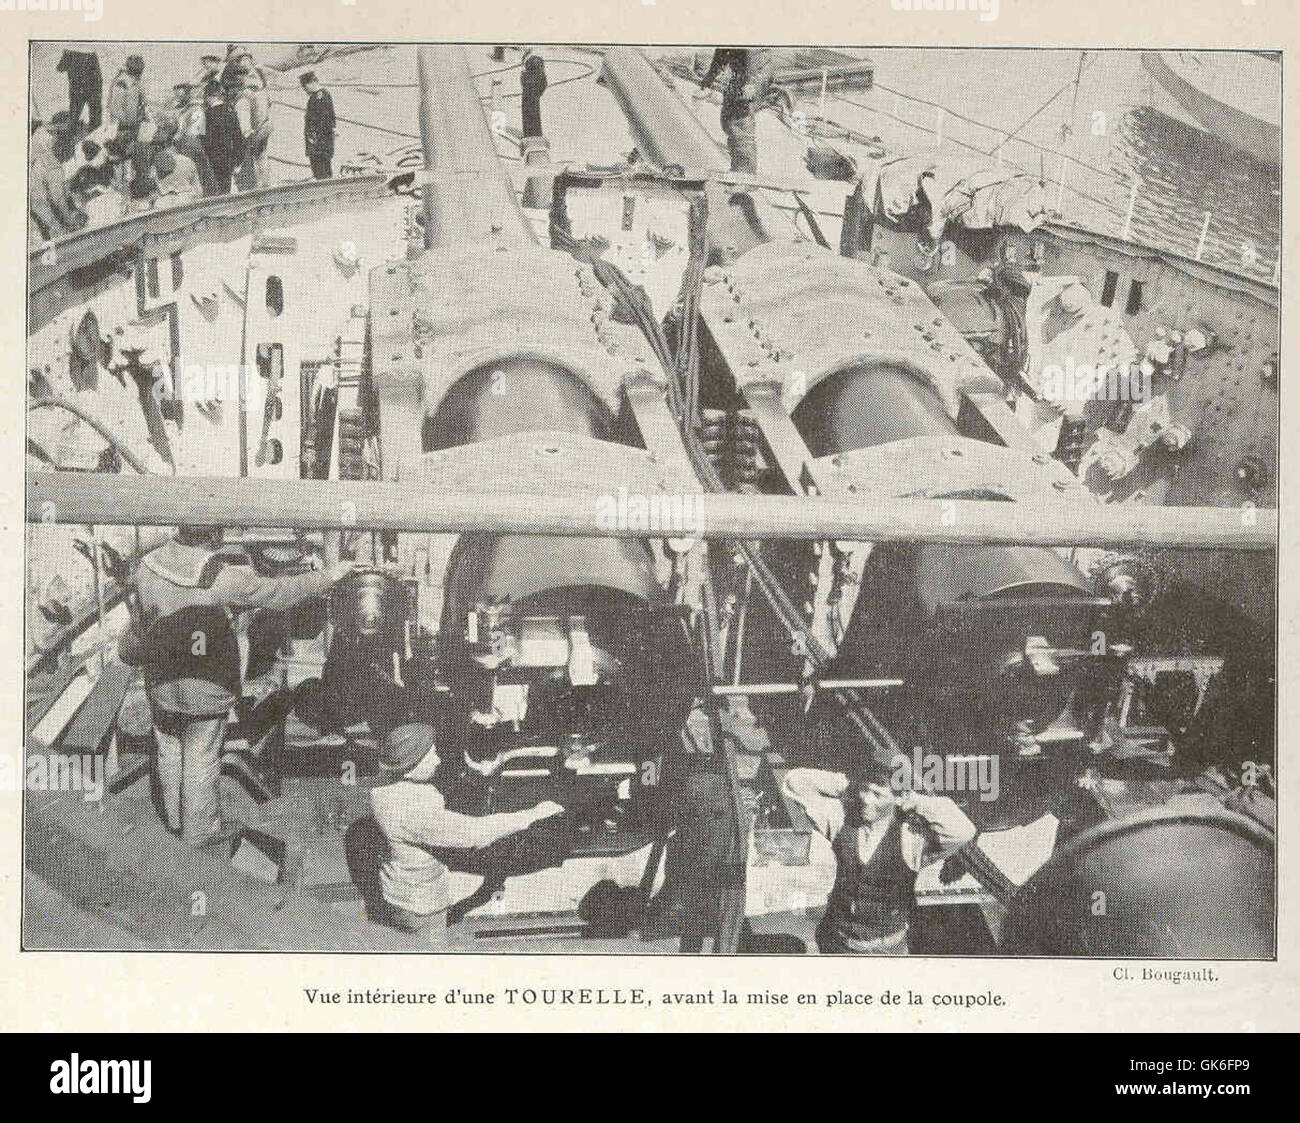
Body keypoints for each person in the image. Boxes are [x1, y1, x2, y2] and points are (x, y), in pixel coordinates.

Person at [122, 526, 353, 846]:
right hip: (204, 688)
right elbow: (280, 593)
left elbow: (140, 618)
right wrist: (329, 576)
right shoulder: (222, 578)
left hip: (162, 680)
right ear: (214, 538)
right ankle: (200, 830)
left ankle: (174, 820)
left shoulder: (147, 565)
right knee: (201, 756)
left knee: (169, 748)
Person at [368, 723, 565, 938]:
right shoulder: (411, 812)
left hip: (402, 890)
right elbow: (474, 833)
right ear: (410, 764)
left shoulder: (384, 792)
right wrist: (533, 814)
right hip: (421, 906)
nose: (438, 760)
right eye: (432, 756)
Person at [782, 765, 977, 953]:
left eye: (878, 795)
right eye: (865, 790)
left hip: (887, 949)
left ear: (897, 799)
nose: (866, 799)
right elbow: (794, 782)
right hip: (836, 941)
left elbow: (963, 831)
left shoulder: (911, 837)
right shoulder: (840, 820)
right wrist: (847, 783)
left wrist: (916, 800)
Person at [695, 48, 777, 175]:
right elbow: (723, 50)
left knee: (739, 121)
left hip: (756, 70)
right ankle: (737, 167)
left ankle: (745, 174)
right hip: (741, 71)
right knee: (728, 120)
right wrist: (710, 77)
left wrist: (751, 83)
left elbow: (756, 50)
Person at [29, 117, 86, 245]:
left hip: (36, 209)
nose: (72, 155)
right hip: (40, 212)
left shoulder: (44, 154)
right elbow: (58, 199)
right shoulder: (53, 165)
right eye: (73, 148)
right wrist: (71, 221)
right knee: (64, 234)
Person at [201, 81, 244, 195]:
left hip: (213, 158)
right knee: (226, 189)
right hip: (228, 157)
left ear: (209, 97)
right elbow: (238, 137)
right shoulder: (231, 111)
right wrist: (238, 159)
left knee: (214, 191)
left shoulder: (207, 114)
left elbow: (206, 140)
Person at [234, 65, 272, 190]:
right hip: (264, 128)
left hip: (252, 133)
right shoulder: (262, 92)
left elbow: (243, 118)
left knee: (251, 161)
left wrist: (246, 133)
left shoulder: (245, 96)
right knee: (263, 158)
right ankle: (265, 185)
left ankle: (255, 188)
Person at [57, 48, 103, 132]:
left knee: (74, 115)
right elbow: (60, 68)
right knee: (95, 116)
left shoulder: (70, 54)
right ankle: (94, 132)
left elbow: (60, 68)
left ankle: (70, 133)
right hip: (92, 87)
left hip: (79, 88)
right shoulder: (91, 55)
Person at [300, 71, 335, 179]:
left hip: (319, 141)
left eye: (305, 87)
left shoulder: (320, 97)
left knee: (320, 170)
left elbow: (324, 120)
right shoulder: (319, 95)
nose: (304, 90)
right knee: (323, 169)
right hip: (321, 141)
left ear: (312, 82)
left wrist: (314, 138)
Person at [106, 53, 147, 144]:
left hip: (132, 126)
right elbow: (115, 110)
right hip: (119, 128)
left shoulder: (137, 84)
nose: (140, 75)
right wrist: (131, 124)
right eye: (140, 71)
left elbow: (143, 104)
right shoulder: (121, 84)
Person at [519, 49, 547, 139]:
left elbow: (523, 81)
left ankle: (529, 135)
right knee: (535, 115)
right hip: (534, 94)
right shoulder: (538, 64)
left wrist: (523, 74)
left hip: (528, 93)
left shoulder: (528, 67)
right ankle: (535, 134)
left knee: (528, 114)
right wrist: (539, 93)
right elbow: (544, 82)